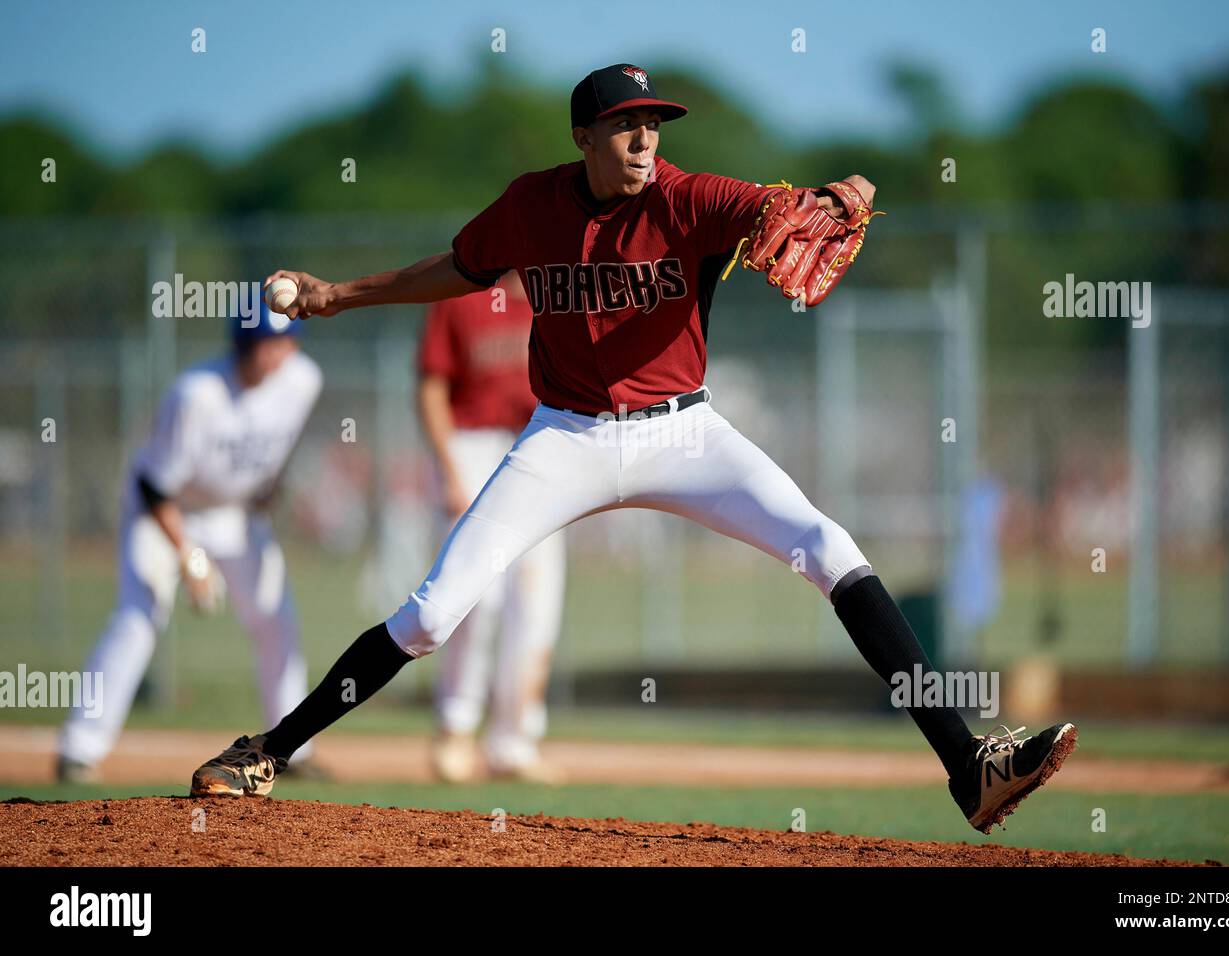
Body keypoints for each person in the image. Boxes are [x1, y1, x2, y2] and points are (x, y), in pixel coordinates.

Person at [189, 64, 1076, 834]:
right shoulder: (532, 205)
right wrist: (337, 295)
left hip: (685, 433)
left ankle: (970, 766)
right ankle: (267, 749)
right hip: (564, 437)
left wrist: (844, 193)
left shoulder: (691, 199)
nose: (644, 137)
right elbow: (456, 269)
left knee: (829, 549)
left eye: (652, 123)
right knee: (428, 615)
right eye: (624, 124)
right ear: (584, 135)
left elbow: (776, 206)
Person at [57, 299, 325, 782]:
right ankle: (79, 748)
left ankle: (293, 752)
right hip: (165, 514)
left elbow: (270, 454)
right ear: (242, 343)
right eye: (266, 343)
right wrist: (189, 557)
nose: (277, 354)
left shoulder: (303, 381)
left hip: (233, 515)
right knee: (139, 617)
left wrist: (267, 492)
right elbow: (153, 485)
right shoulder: (198, 394)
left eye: (285, 343)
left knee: (276, 619)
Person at [416, 269, 566, 782]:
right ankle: (455, 731)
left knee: (537, 602)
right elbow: (433, 386)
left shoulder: (563, 293)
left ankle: (514, 742)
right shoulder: (464, 299)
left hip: (541, 443)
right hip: (473, 444)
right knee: (475, 597)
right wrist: (448, 467)